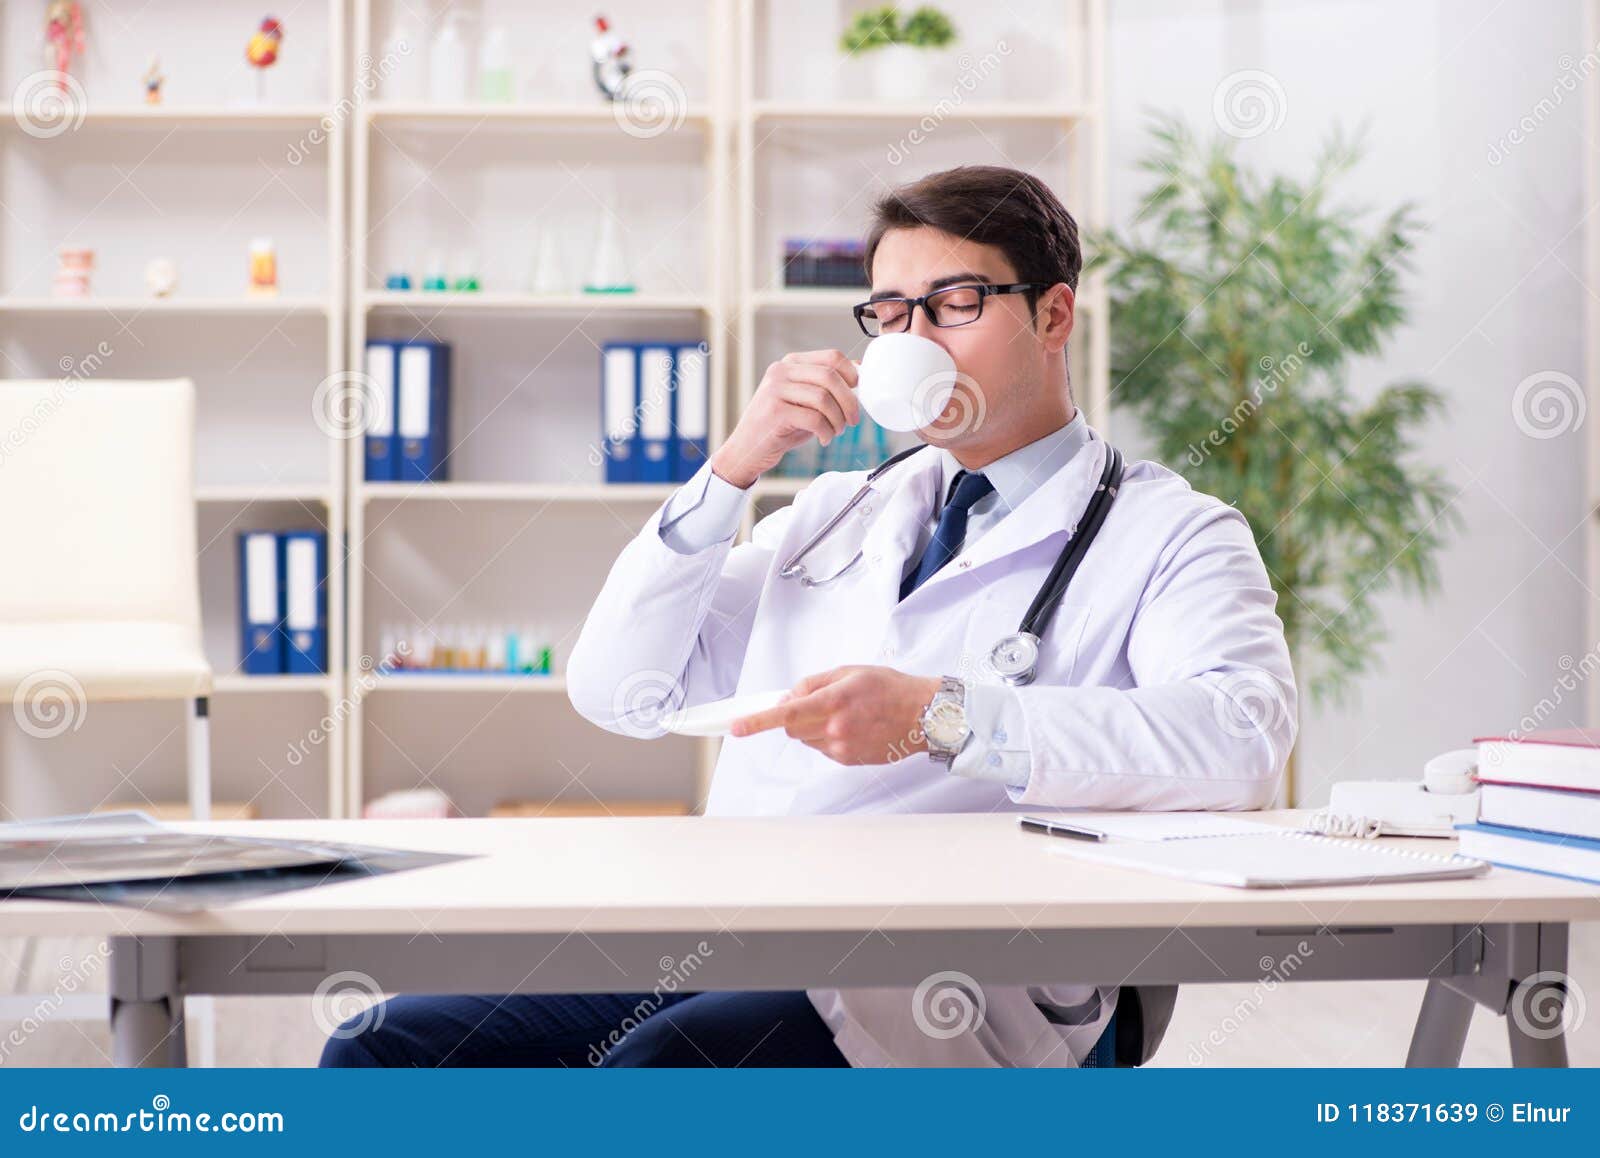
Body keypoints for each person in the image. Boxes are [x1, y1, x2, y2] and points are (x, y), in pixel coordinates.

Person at [321, 164, 1297, 1068]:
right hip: (730, 931)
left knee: (661, 1075)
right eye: (890, 313)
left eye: (955, 304)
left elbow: (1239, 741)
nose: (915, 341)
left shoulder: (1169, 532)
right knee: (383, 1050)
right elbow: (619, 691)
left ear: (1053, 315)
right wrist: (727, 471)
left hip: (952, 975)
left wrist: (943, 716)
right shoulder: (837, 512)